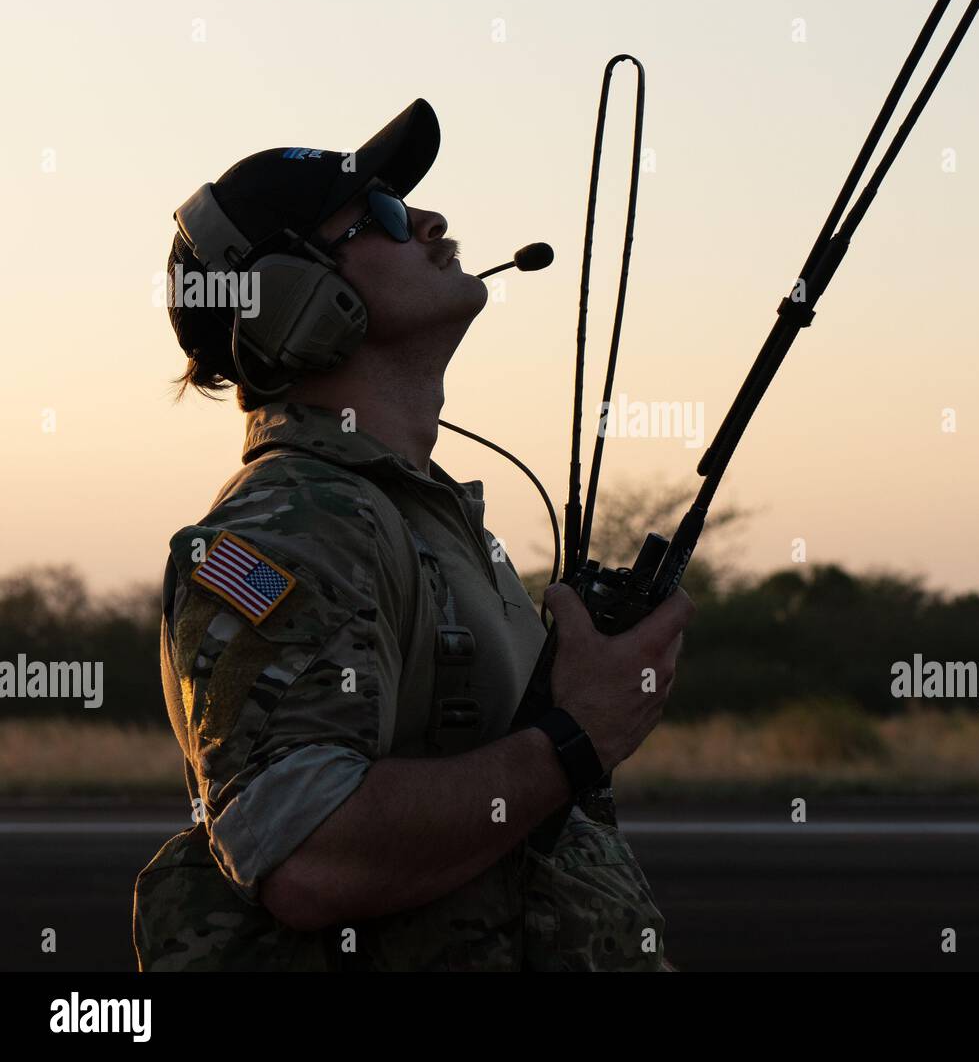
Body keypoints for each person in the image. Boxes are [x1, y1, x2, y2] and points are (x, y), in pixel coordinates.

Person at [132, 99, 696, 971]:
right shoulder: (292, 523)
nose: (432, 220)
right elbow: (307, 853)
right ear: (294, 298)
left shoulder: (410, 513)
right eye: (385, 214)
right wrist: (576, 734)